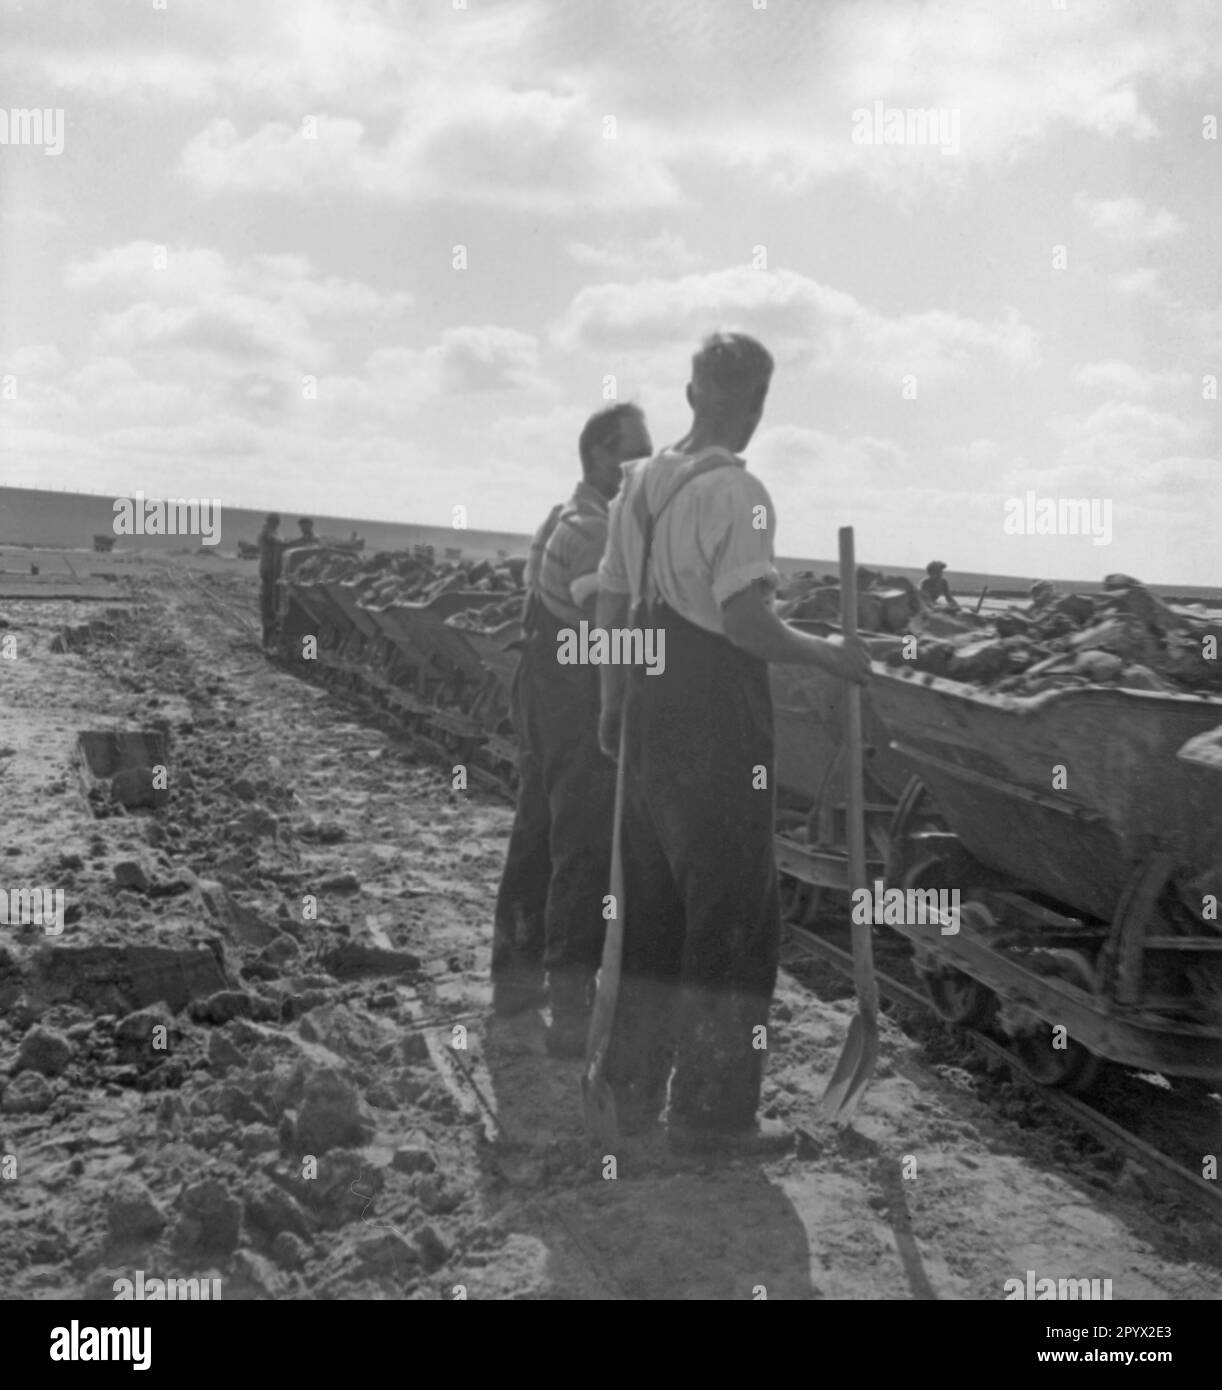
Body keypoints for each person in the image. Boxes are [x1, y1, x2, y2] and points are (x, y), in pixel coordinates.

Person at [595, 332, 871, 1155]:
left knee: (647, 909)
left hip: (647, 705)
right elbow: (746, 623)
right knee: (732, 920)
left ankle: (631, 1096)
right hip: (715, 721)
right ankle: (713, 1121)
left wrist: (613, 704)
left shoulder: (635, 485)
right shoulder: (739, 493)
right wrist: (831, 657)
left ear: (689, 394)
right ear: (754, 405)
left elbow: (612, 603)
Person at [491, 402, 654, 1056]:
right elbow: (603, 638)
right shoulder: (593, 530)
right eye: (633, 457)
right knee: (580, 848)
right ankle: (570, 1007)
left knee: (537, 831)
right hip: (575, 697)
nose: (643, 469)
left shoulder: (563, 515)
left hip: (543, 686)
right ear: (598, 458)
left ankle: (513, 981)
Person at [257, 512, 282, 650]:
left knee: (271, 604)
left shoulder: (268, 531)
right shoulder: (267, 532)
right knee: (269, 603)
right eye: (276, 522)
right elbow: (277, 541)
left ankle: (269, 641)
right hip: (269, 571)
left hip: (270, 570)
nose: (277, 524)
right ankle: (268, 642)